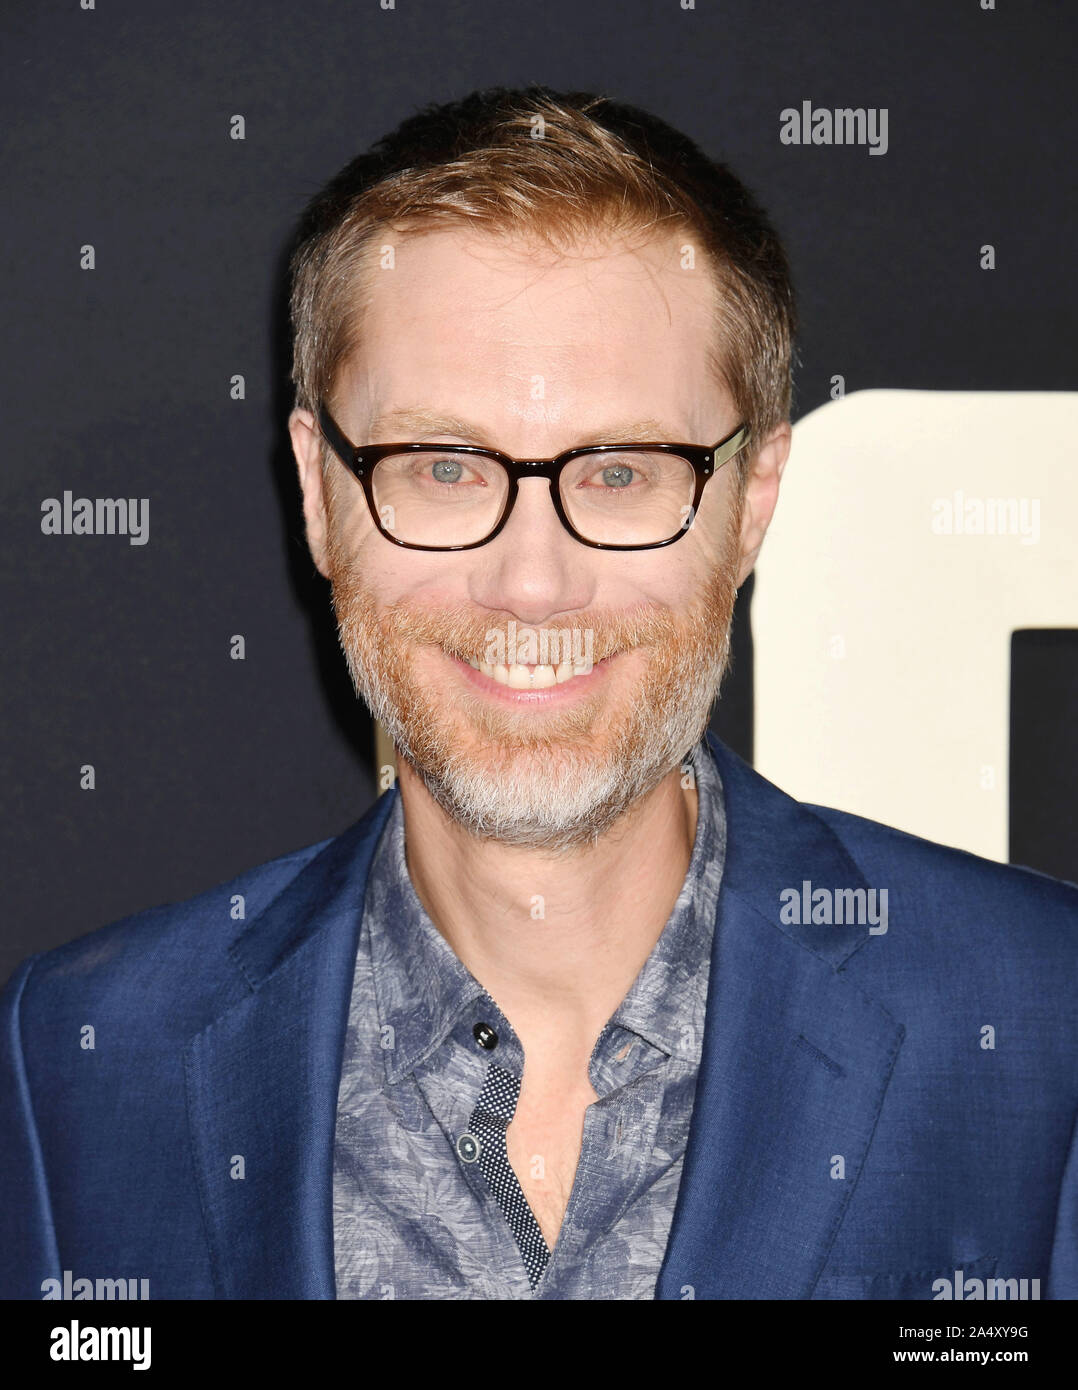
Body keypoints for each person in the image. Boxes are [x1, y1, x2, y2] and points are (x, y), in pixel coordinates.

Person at [2, 86, 1075, 1302]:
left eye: (620, 472)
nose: (530, 582)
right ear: (318, 490)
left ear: (754, 499)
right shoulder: (84, 1063)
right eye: (445, 467)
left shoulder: (1046, 1024)